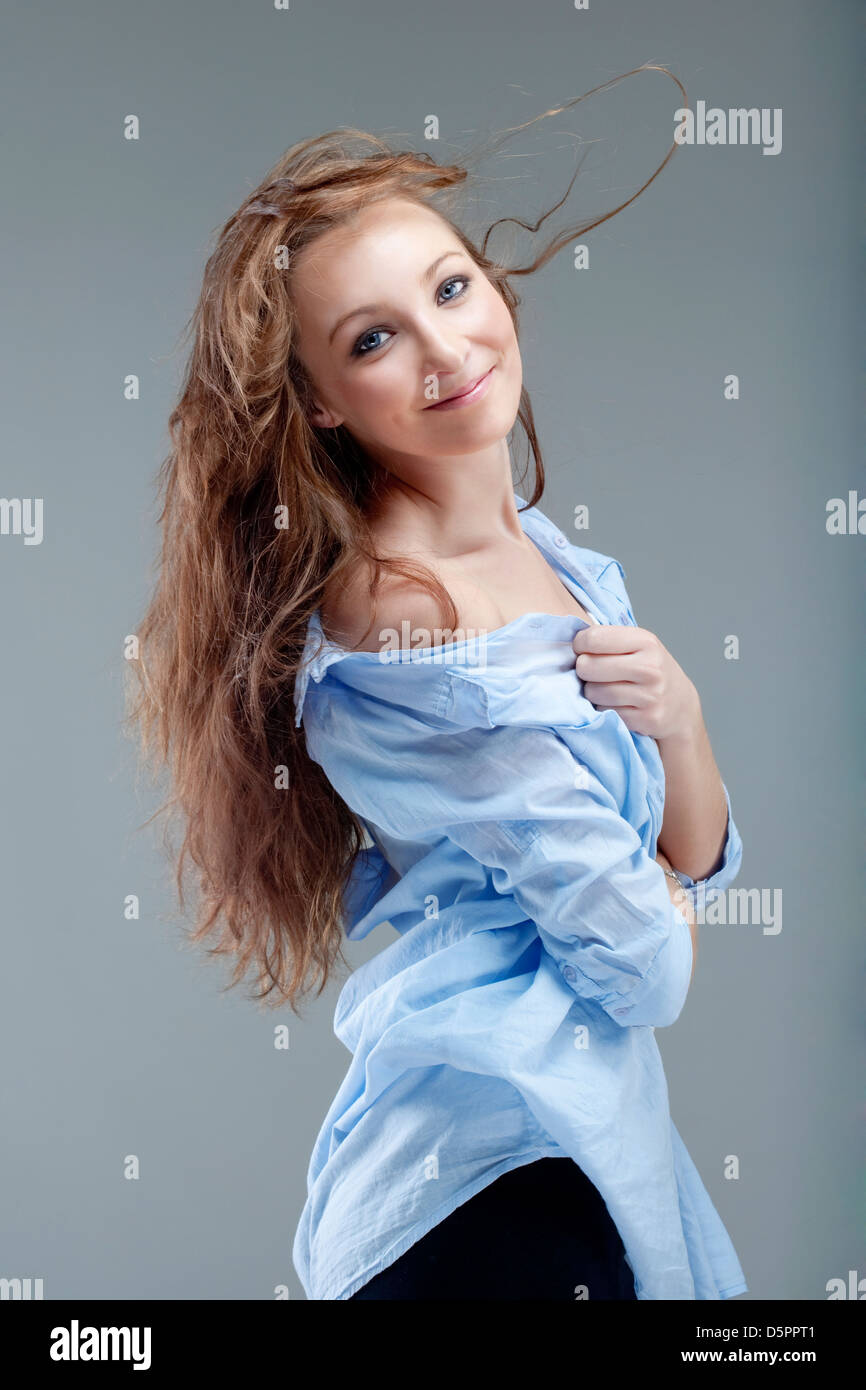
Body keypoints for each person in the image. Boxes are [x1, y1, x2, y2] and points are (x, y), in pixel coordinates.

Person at [125, 68, 748, 1301]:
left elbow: (686, 853)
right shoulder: (407, 621)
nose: (444, 347)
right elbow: (647, 965)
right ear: (315, 399)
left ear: (491, 282)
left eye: (449, 288)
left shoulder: (547, 552)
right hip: (486, 1191)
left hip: (571, 1147)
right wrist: (666, 886)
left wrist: (680, 719)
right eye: (371, 339)